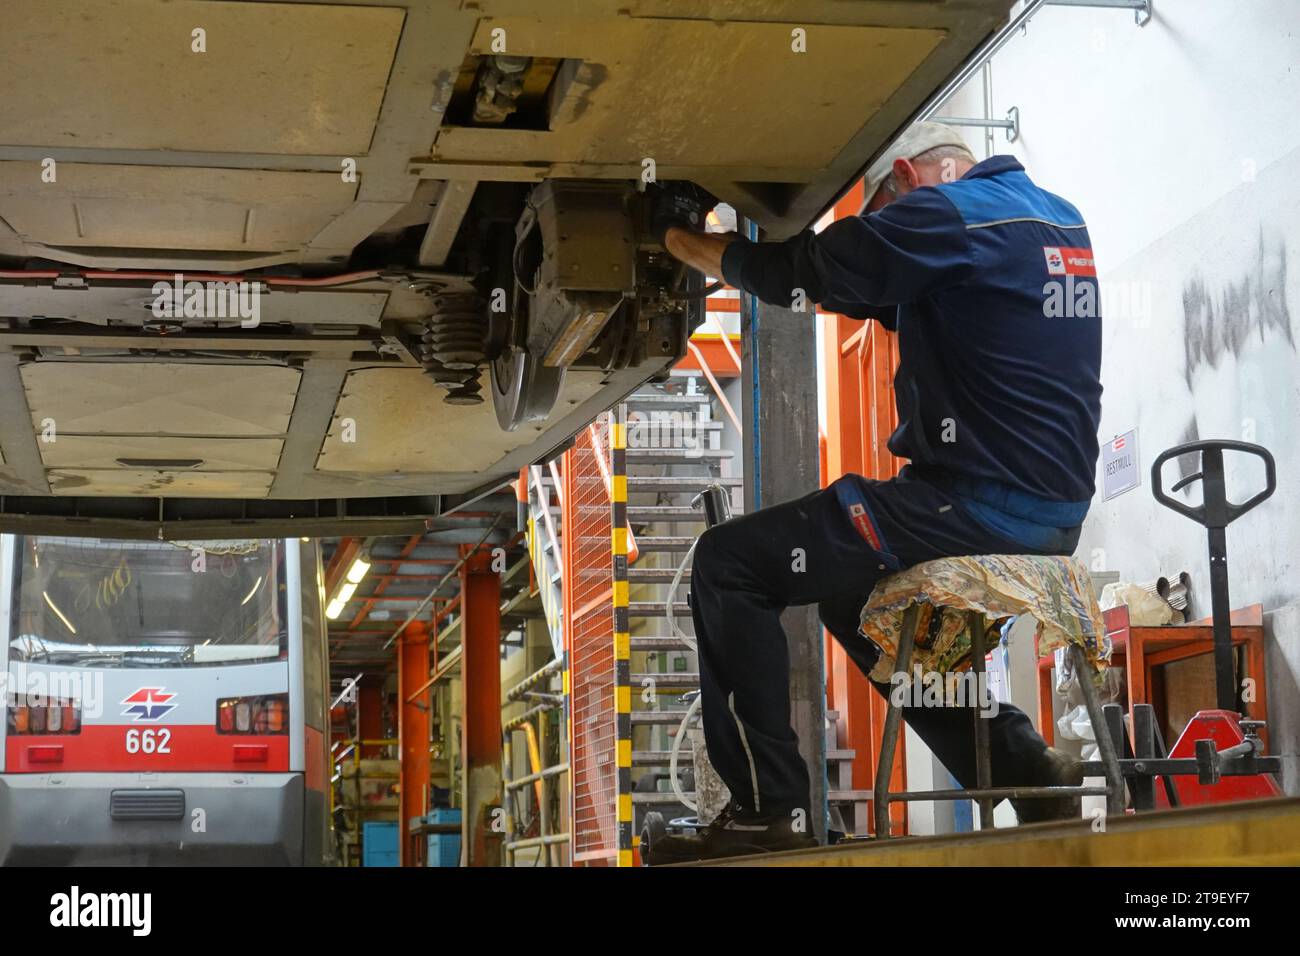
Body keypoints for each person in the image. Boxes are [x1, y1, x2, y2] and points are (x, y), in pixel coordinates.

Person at [647, 122, 1103, 860]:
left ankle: (768, 811)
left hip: (977, 504)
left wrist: (685, 245)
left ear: (906, 177)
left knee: (727, 563)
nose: (884, 221)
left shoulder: (950, 212)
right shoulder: (1051, 219)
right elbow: (877, 293)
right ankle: (1024, 766)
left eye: (880, 206)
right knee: (855, 600)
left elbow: (815, 267)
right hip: (1049, 510)